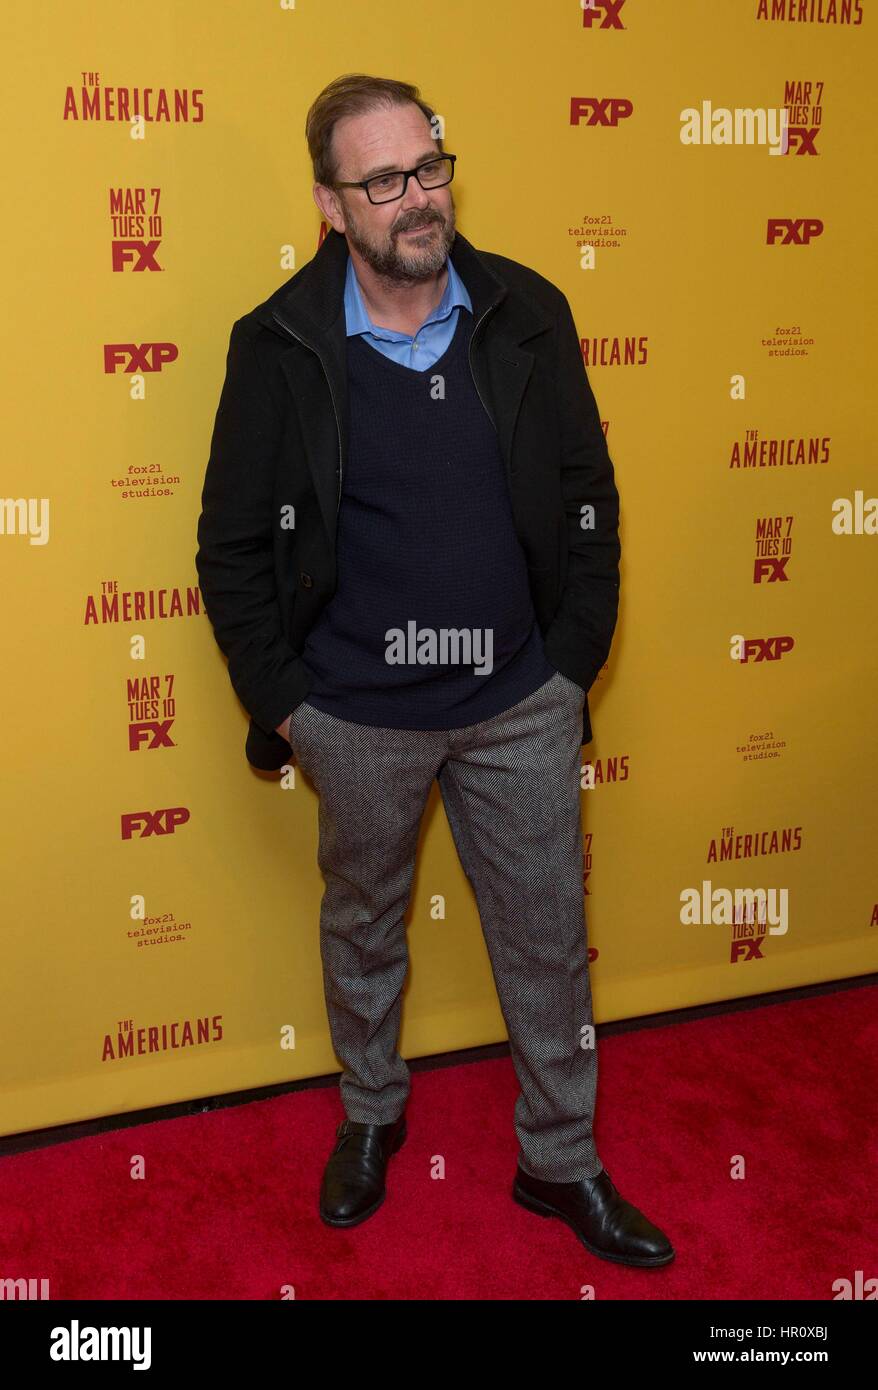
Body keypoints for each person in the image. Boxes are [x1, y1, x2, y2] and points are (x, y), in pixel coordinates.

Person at [195, 72, 673, 1268]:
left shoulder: (525, 312)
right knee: (361, 925)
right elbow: (231, 545)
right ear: (329, 202)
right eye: (385, 180)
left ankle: (558, 1162)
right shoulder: (278, 344)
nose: (419, 198)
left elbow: (585, 502)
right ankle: (370, 1115)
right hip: (352, 714)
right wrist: (290, 707)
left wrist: (566, 669)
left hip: (518, 701)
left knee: (547, 939)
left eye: (431, 166)